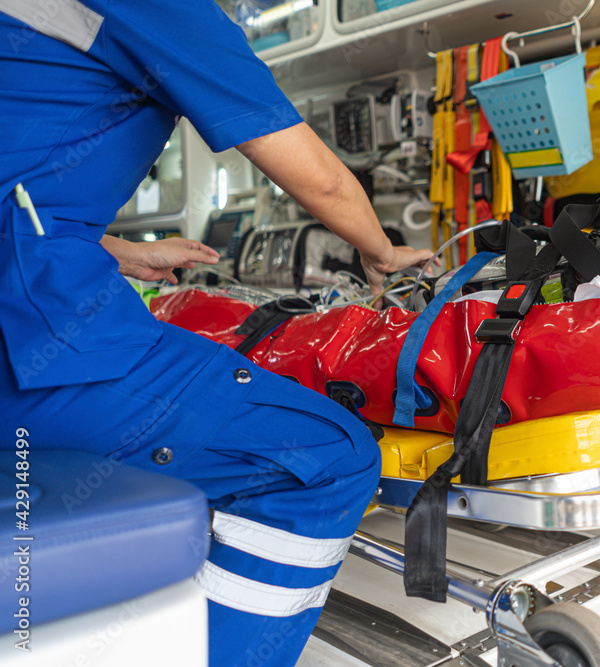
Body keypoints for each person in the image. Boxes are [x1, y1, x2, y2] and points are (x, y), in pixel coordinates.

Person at [0, 1, 433, 665]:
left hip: (27, 293)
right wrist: (382, 251)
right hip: (25, 341)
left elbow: (17, 187)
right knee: (325, 455)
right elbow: (317, 176)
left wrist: (114, 249)